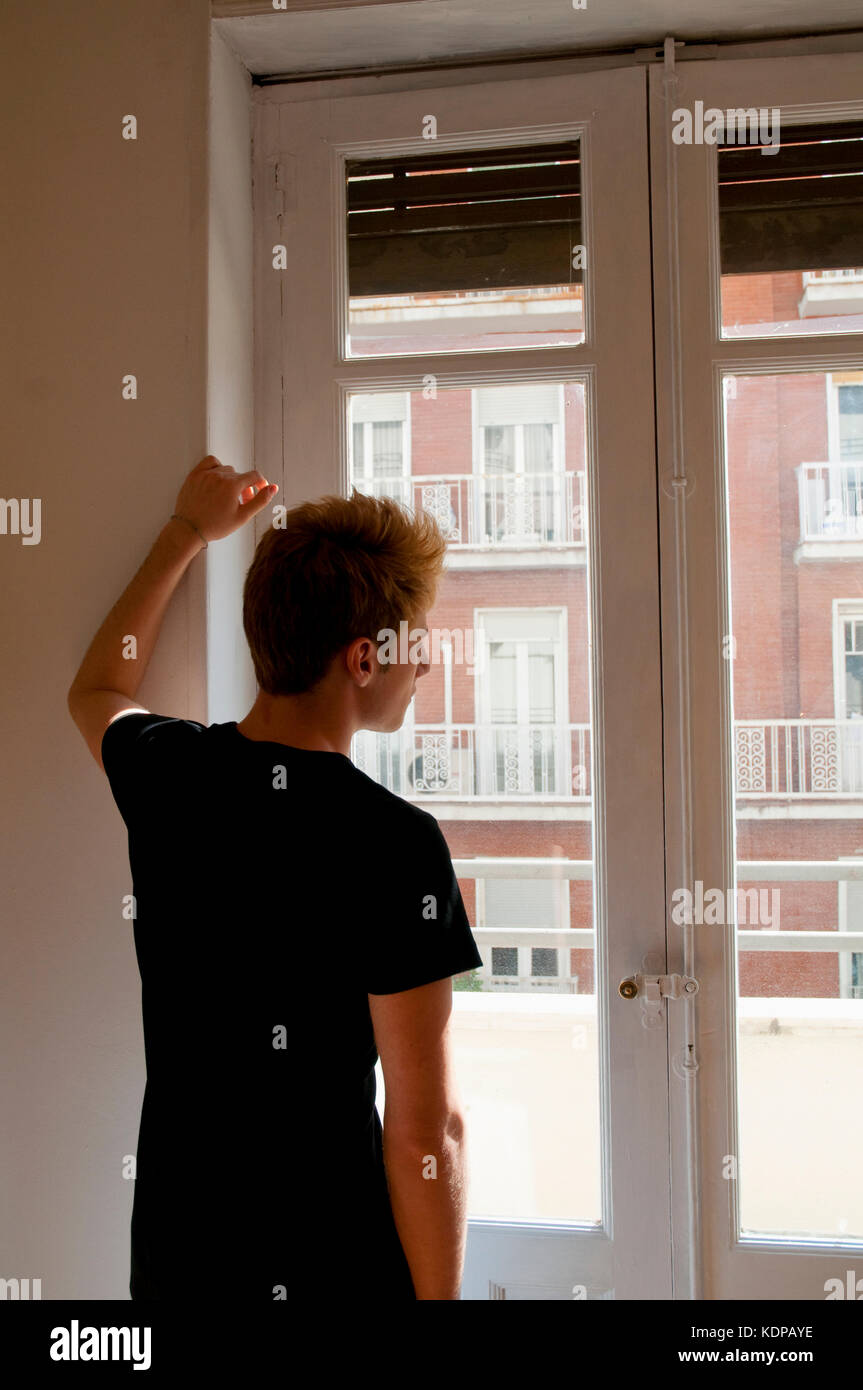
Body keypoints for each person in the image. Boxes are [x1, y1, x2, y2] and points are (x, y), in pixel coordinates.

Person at [67, 455, 483, 1302]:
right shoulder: (397, 843)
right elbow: (423, 1130)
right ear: (363, 659)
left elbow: (98, 687)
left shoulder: (169, 775)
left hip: (181, 1260)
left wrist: (187, 532)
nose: (426, 667)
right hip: (334, 1267)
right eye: (417, 647)